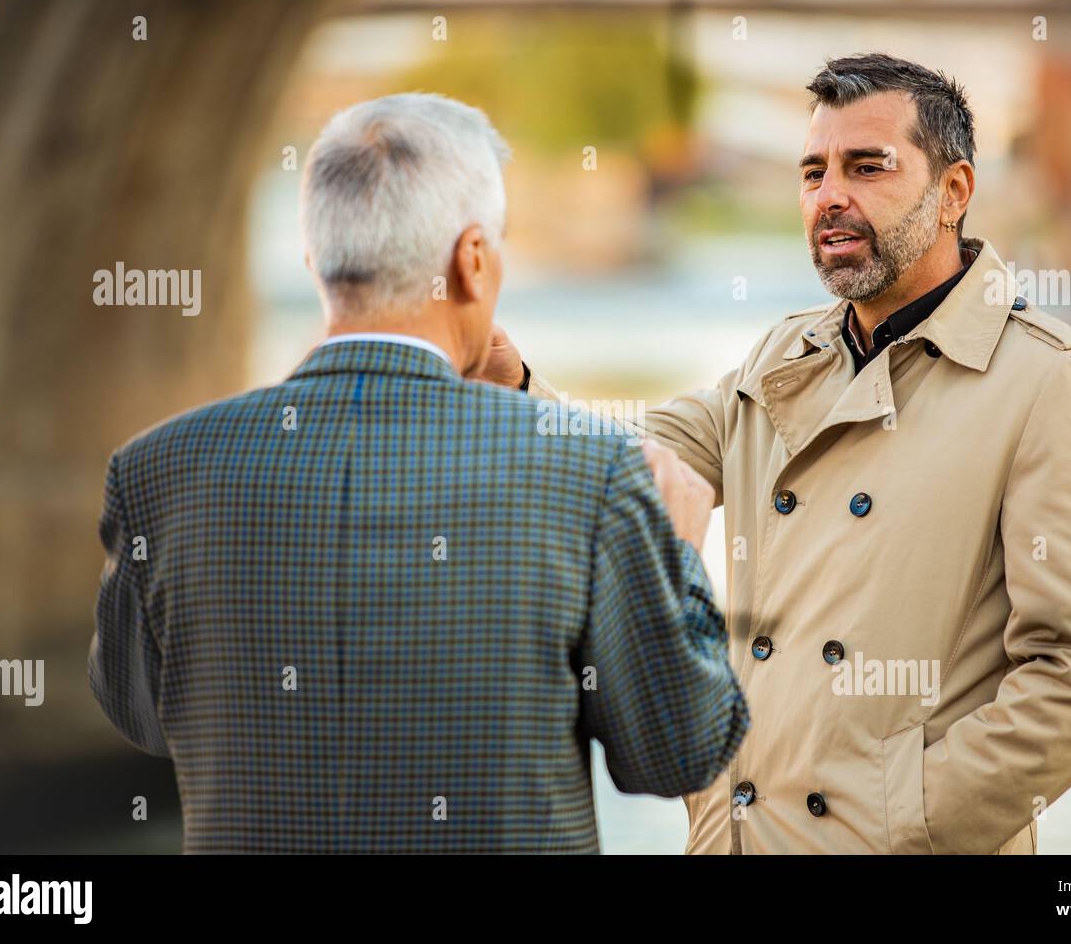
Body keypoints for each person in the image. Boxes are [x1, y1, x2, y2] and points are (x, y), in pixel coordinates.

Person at [482, 54, 1071, 854]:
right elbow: (635, 460)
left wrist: (904, 820)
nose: (829, 196)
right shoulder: (785, 352)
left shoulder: (1054, 384)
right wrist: (514, 381)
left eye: (867, 167)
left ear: (955, 192)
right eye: (813, 172)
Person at [87, 93, 748, 853]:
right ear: (472, 261)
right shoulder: (589, 475)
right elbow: (680, 752)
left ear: (316, 263)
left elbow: (139, 713)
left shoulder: (158, 469)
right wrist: (680, 565)